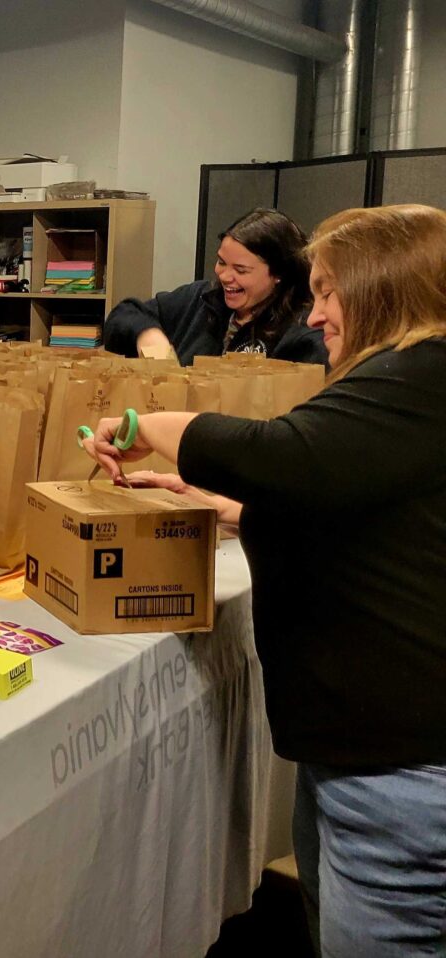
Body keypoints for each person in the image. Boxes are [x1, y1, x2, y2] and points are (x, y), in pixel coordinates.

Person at [84, 204, 446, 957]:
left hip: (402, 772)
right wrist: (226, 510)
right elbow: (370, 519)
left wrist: (151, 423)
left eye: (328, 291)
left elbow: (283, 453)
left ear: (380, 287)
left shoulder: (421, 376)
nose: (315, 315)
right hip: (363, 761)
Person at [102, 208, 326, 365]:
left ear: (279, 274)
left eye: (240, 270)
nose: (225, 276)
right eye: (221, 262)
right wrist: (148, 335)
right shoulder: (200, 299)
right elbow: (124, 315)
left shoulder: (302, 331)